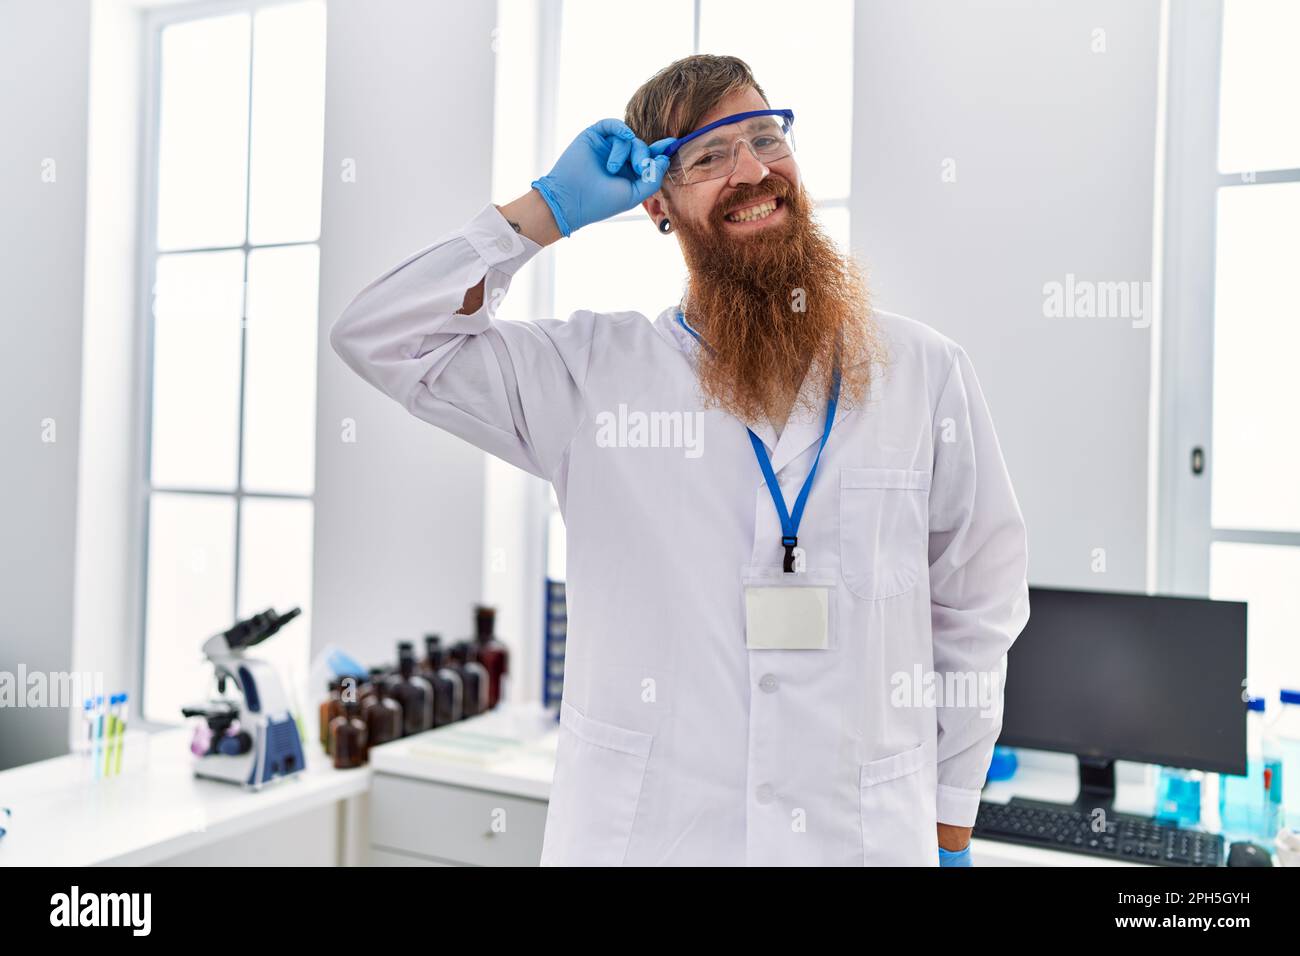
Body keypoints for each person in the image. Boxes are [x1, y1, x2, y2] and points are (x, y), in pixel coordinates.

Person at [330, 54, 1030, 866]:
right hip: (654, 840)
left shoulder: (924, 371)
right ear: (656, 202)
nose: (753, 170)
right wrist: (543, 212)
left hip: (861, 840)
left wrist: (948, 823)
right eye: (707, 156)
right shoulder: (590, 376)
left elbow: (977, 607)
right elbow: (380, 335)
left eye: (767, 137)